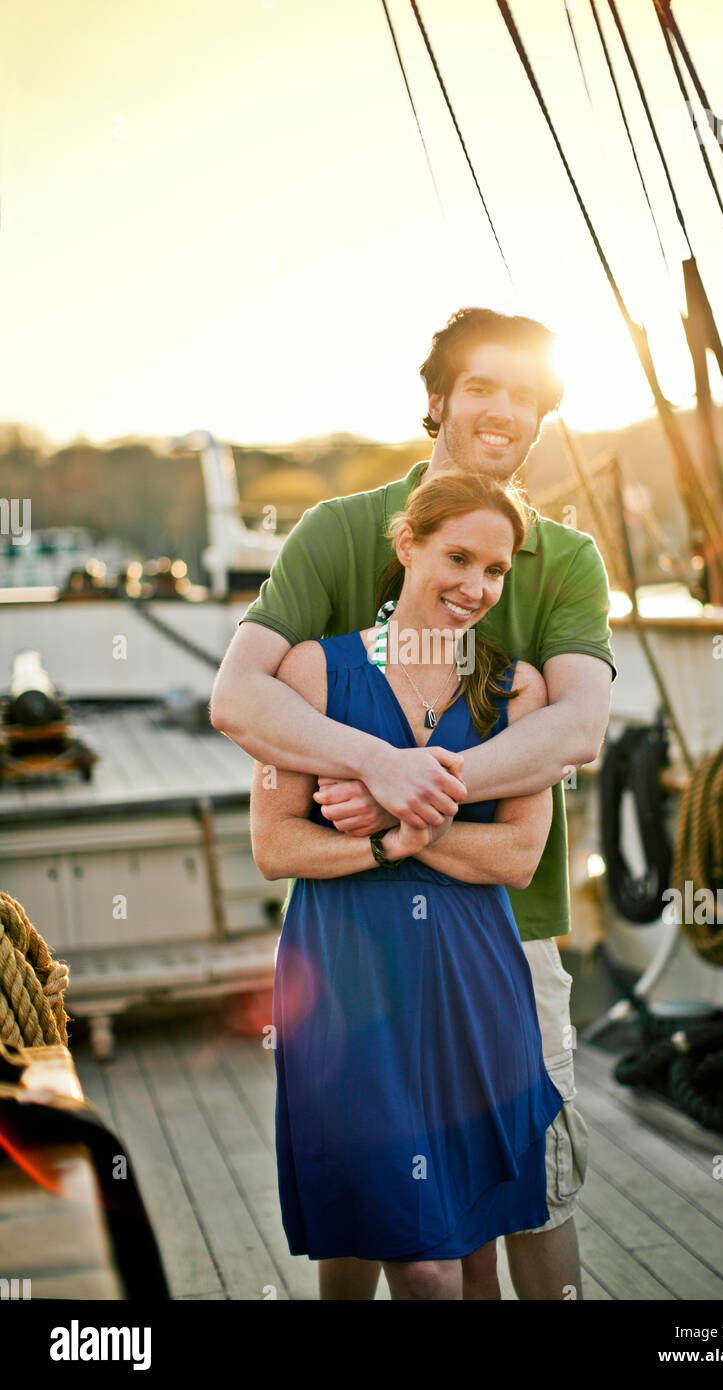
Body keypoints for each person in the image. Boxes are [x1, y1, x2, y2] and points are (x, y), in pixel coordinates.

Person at [211, 307, 616, 1299]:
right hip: (357, 936)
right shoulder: (339, 532)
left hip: (508, 935)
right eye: (481, 386)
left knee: (533, 1192)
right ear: (437, 396)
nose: (502, 410)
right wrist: (375, 761)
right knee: (361, 1196)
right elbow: (241, 694)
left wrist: (418, 795)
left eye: (524, 395)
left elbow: (577, 729)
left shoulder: (563, 558)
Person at [252, 472, 566, 1299]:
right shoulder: (311, 674)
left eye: (495, 571)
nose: (475, 587)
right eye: (457, 557)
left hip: (474, 985)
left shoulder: (517, 690)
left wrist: (407, 822)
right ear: (407, 544)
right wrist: (397, 846)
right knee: (413, 1255)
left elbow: (517, 858)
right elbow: (275, 844)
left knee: (474, 1254)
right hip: (348, 985)